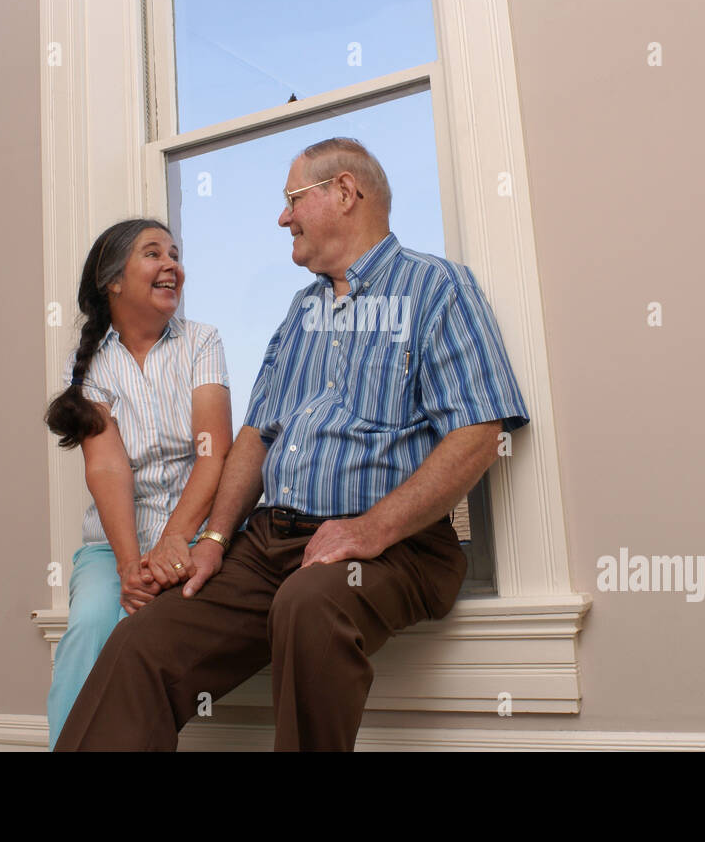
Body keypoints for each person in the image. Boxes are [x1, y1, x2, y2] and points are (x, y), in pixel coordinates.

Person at [54, 138, 528, 752]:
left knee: (308, 606)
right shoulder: (301, 312)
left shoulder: (436, 287)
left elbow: (480, 432)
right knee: (143, 640)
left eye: (292, 200)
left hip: (397, 547)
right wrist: (217, 539)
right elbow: (254, 437)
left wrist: (370, 529)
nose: (283, 218)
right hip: (269, 542)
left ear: (345, 193)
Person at [43, 218, 231, 750]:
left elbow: (213, 453)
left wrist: (174, 541)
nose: (172, 264)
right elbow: (107, 469)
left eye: (174, 254)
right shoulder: (90, 366)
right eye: (154, 254)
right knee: (89, 631)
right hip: (113, 546)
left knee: (148, 643)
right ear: (114, 282)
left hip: (193, 536)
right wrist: (130, 568)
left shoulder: (201, 341)